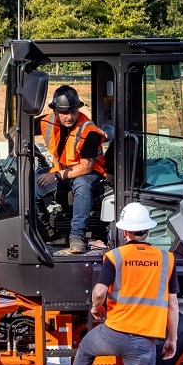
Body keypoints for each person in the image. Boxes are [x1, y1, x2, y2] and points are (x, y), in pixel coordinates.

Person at [47, 202, 179, 365]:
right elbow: (173, 303)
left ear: (126, 233)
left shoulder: (115, 256)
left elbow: (99, 291)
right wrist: (172, 338)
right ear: (148, 231)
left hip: (114, 333)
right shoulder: (167, 259)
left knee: (85, 349)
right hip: (144, 342)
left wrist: (97, 309)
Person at [36, 85, 108, 254]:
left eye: (73, 111)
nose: (69, 117)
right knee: (33, 183)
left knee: (82, 185)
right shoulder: (47, 121)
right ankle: (46, 231)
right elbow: (19, 130)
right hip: (62, 172)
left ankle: (77, 236)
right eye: (64, 113)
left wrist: (54, 176)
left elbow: (86, 167)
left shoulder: (88, 131)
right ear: (55, 111)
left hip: (91, 174)